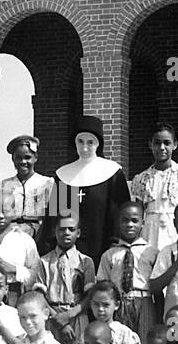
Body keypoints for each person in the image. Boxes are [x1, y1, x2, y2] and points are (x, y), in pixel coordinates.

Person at [48, 115, 131, 268]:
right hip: (68, 251)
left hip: (104, 249)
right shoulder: (63, 175)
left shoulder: (112, 173)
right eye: (80, 141)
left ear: (98, 144)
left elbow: (120, 214)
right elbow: (53, 217)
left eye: (90, 142)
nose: (84, 147)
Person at [130, 122, 178, 259]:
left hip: (174, 230)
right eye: (157, 143)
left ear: (175, 145)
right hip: (150, 231)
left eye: (166, 143)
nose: (162, 147)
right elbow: (138, 212)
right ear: (151, 145)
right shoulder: (142, 179)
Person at [97, 200, 157, 344]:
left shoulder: (151, 252)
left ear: (142, 223)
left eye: (134, 220)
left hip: (144, 301)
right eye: (125, 220)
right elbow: (103, 284)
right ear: (118, 222)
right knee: (119, 343)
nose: (130, 225)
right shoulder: (109, 254)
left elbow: (157, 284)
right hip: (119, 303)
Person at [31, 212, 94, 344]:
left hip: (77, 316)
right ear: (55, 231)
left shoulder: (85, 262)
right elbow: (38, 296)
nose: (66, 233)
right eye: (62, 229)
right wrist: (58, 320)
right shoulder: (44, 262)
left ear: (78, 233)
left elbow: (90, 296)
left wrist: (69, 315)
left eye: (71, 229)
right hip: (51, 317)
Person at [0, 134, 52, 247]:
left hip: (38, 236)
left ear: (35, 158)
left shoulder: (46, 183)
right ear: (13, 159)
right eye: (19, 157)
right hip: (10, 236)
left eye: (27, 157)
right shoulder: (4, 185)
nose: (23, 162)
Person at [83, 280, 139, 344]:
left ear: (116, 305)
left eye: (105, 305)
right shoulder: (87, 331)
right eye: (96, 304)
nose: (100, 309)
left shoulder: (123, 333)